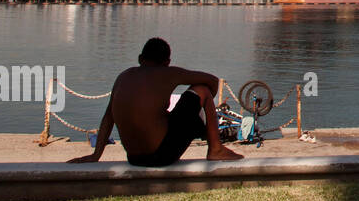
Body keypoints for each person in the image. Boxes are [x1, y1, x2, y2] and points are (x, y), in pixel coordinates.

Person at [69, 37, 243, 167]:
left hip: (134, 158)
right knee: (202, 90)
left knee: (171, 114)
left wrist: (96, 155)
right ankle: (215, 149)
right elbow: (212, 81)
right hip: (161, 156)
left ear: (140, 59)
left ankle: (205, 134)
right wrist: (199, 112)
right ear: (167, 62)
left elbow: (108, 118)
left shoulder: (123, 77)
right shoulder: (169, 73)